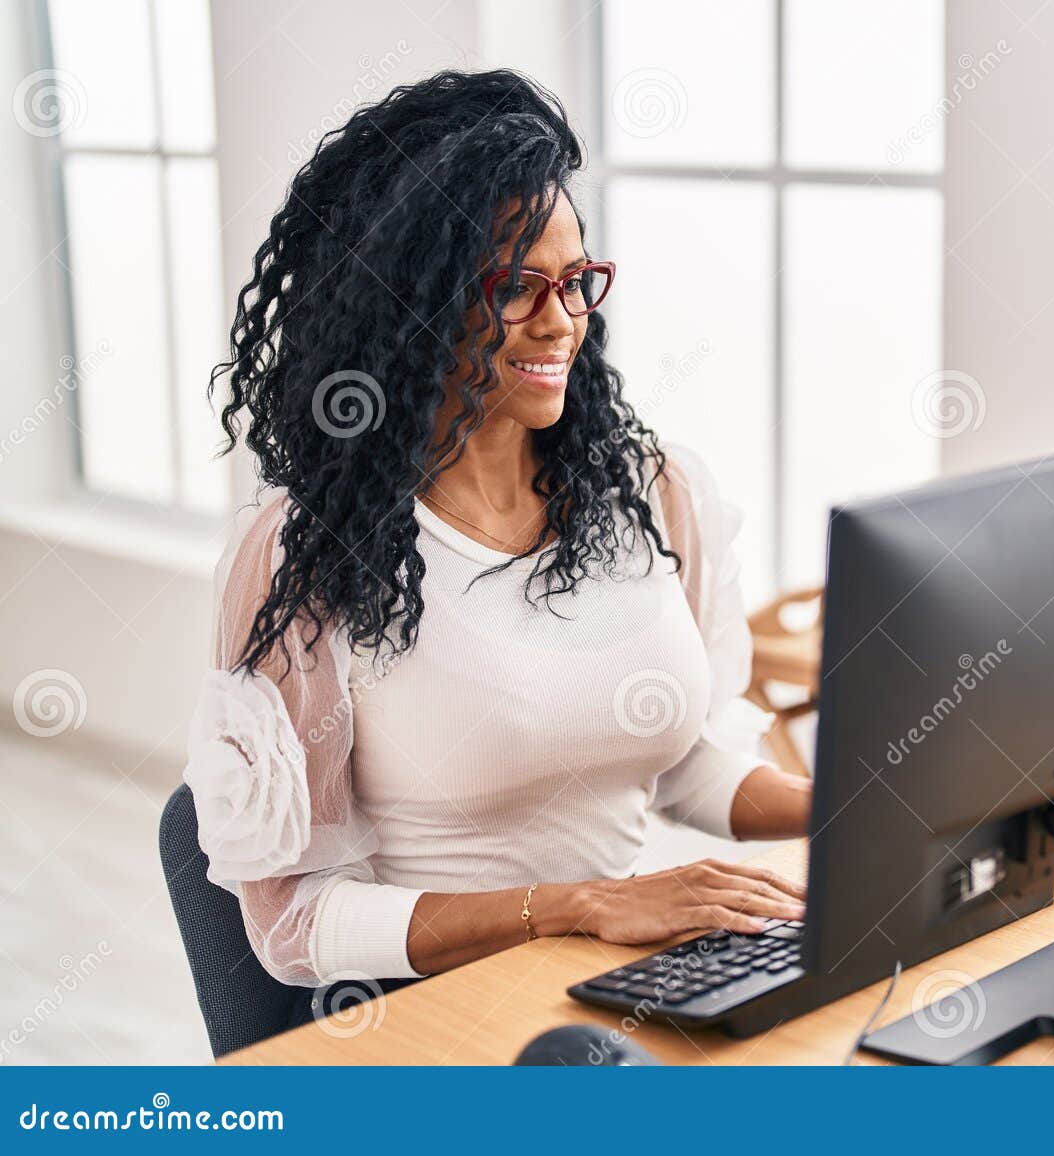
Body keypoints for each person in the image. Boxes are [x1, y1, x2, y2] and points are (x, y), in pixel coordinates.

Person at [183, 70, 811, 990]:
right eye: (518, 288)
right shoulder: (307, 555)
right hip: (434, 1016)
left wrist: (860, 801)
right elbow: (295, 924)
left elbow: (685, 766)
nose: (562, 323)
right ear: (411, 304)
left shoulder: (653, 491)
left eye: (577, 281)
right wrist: (577, 906)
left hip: (625, 983)